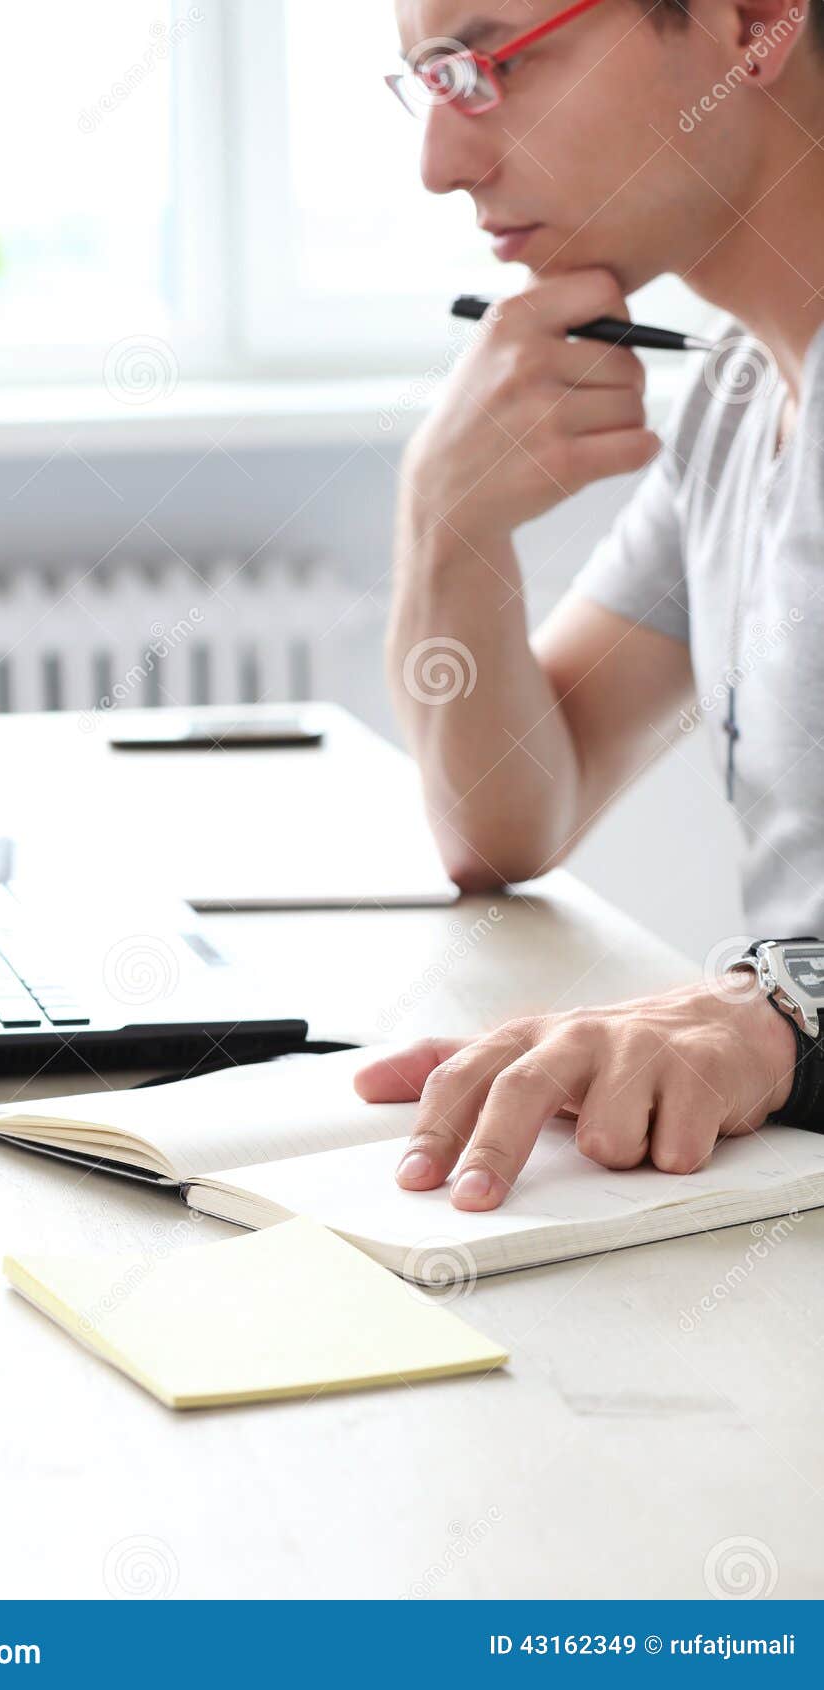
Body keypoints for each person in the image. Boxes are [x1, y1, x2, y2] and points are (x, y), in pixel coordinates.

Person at [354, 0, 824, 1209]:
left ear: (751, 22)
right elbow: (507, 817)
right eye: (428, 83)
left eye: (486, 63)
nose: (440, 165)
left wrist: (777, 1015)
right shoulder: (738, 392)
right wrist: (444, 520)